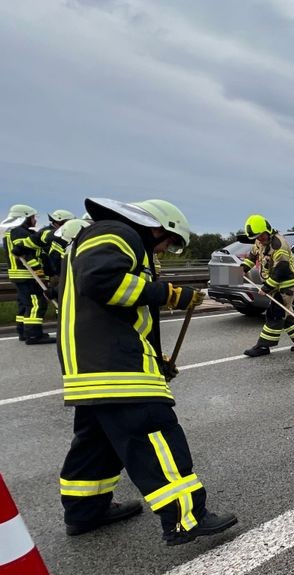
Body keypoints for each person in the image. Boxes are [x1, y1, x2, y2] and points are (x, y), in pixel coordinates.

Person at [57, 197, 236, 546]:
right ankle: (186, 517)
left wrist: (155, 359)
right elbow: (102, 282)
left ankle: (85, 512)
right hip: (115, 365)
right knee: (154, 432)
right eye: (169, 242)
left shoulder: (102, 234)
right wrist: (170, 294)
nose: (166, 250)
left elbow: (118, 311)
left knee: (97, 444)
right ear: (157, 227)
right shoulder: (117, 231)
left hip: (92, 365)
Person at [239, 215, 294, 356]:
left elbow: (281, 270)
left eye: (261, 236)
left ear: (268, 230)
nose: (259, 239)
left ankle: (263, 347)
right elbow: (253, 256)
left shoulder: (279, 245)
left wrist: (267, 287)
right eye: (257, 238)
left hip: (286, 286)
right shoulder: (260, 242)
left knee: (275, 315)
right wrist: (243, 268)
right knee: (287, 315)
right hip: (276, 285)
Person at [0, 204, 57, 344]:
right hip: (27, 275)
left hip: (17, 275)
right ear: (24, 217)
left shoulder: (9, 232)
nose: (35, 220)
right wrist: (39, 271)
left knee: (24, 304)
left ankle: (23, 331)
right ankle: (34, 335)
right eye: (32, 217)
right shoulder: (20, 233)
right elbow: (25, 253)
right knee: (36, 304)